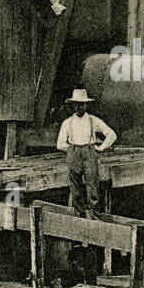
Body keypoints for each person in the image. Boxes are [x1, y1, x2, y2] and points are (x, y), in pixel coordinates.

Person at [55, 88, 116, 218]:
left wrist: (101, 147)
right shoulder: (67, 123)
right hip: (74, 155)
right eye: (76, 104)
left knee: (93, 189)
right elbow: (60, 144)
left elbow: (111, 135)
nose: (79, 107)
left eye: (81, 104)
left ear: (86, 105)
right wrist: (72, 149)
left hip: (89, 154)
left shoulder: (93, 120)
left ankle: (95, 217)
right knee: (76, 190)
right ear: (72, 105)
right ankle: (79, 218)